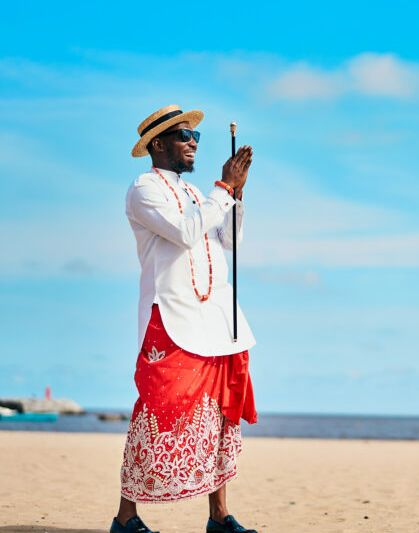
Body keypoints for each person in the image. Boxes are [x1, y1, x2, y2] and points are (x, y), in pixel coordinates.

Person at [113, 105, 258, 533]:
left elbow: (229, 240)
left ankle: (219, 516)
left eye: (196, 137)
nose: (193, 142)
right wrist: (223, 188)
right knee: (156, 412)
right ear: (158, 144)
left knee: (218, 414)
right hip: (171, 317)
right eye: (184, 135)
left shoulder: (198, 193)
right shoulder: (143, 189)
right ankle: (125, 517)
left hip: (215, 318)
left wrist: (236, 194)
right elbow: (186, 232)